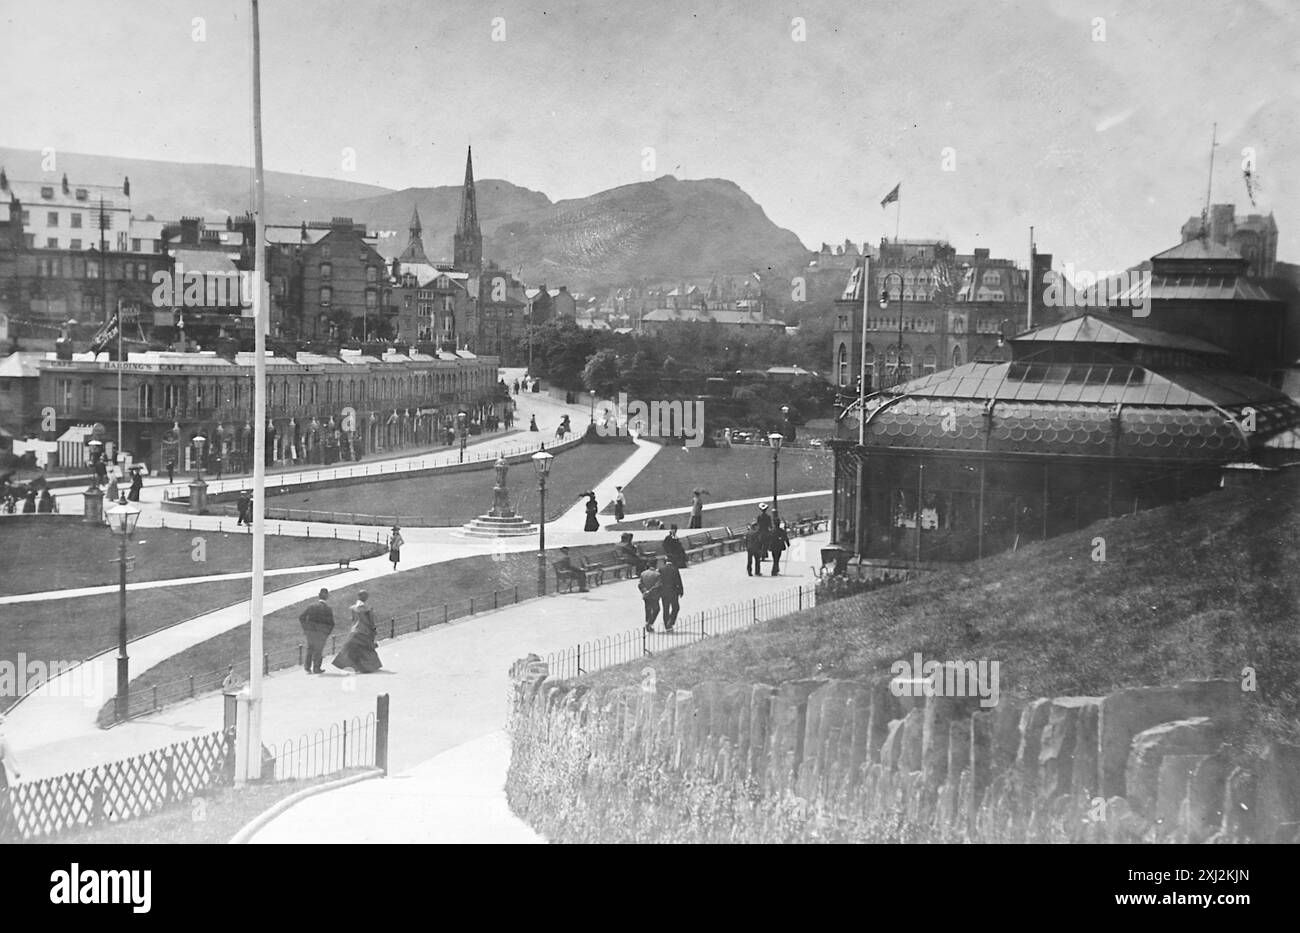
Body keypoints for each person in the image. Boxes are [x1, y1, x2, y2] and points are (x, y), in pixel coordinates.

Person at [332, 590, 382, 673]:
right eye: (366, 595)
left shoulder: (353, 608)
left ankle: (350, 665)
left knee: (352, 649)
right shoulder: (368, 609)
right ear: (364, 597)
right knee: (367, 649)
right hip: (365, 631)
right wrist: (374, 630)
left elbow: (353, 620)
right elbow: (371, 621)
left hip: (354, 631)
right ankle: (369, 667)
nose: (367, 597)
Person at [298, 588, 335, 674]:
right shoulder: (328, 609)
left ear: (318, 595)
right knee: (318, 650)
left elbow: (301, 617)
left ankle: (307, 667)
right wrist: (327, 633)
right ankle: (316, 668)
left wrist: (306, 629)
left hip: (310, 632)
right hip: (321, 634)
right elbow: (332, 623)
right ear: (327, 597)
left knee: (310, 648)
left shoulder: (311, 606)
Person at [0, 712, 21, 843]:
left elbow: (8, 754)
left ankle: (8, 829)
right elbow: (8, 753)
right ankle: (9, 830)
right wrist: (15, 770)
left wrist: (15, 770)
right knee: (3, 799)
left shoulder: (1, 739)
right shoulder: (2, 739)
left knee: (3, 799)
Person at [657, 556, 683, 631]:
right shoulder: (674, 569)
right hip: (673, 591)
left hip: (664, 592)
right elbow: (679, 580)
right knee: (676, 607)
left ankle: (667, 626)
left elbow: (659, 581)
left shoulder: (661, 569)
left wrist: (659, 592)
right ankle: (671, 621)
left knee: (666, 608)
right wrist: (681, 590)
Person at [638, 562, 662, 632]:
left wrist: (644, 591)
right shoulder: (657, 574)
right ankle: (649, 623)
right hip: (654, 595)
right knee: (656, 609)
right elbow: (658, 585)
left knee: (647, 609)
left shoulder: (643, 573)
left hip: (645, 595)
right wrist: (650, 591)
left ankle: (647, 622)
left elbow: (640, 584)